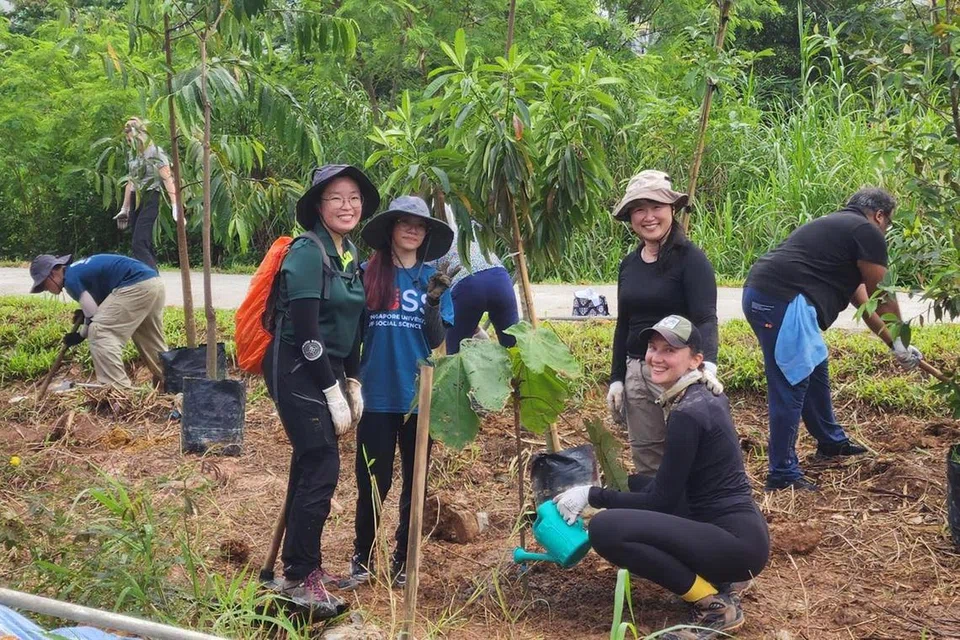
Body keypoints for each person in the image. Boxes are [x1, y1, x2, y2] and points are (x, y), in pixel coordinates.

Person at [554, 316, 770, 640]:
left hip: (735, 548)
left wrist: (593, 496)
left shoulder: (687, 413)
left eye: (669, 350)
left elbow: (660, 502)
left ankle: (713, 604)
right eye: (653, 348)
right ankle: (721, 579)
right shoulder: (702, 393)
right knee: (639, 483)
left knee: (605, 528)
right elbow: (661, 490)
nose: (656, 357)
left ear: (696, 359)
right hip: (741, 535)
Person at [742, 187, 922, 492]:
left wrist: (895, 344)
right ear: (880, 215)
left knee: (815, 368)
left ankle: (830, 442)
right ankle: (782, 473)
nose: (885, 230)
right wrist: (903, 338)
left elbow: (866, 307)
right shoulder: (867, 232)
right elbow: (883, 295)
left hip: (767, 294)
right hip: (784, 300)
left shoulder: (840, 234)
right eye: (887, 223)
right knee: (791, 381)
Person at [262, 165, 379, 615]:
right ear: (318, 206)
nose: (347, 206)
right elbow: (308, 332)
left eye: (353, 197)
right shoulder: (307, 253)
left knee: (312, 461)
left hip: (328, 366)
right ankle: (299, 579)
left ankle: (300, 562)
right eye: (336, 198)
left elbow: (351, 328)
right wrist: (331, 391)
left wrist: (353, 381)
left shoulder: (347, 255)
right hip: (295, 364)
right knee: (321, 463)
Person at [350, 196, 455, 587]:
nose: (412, 230)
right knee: (373, 482)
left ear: (426, 234)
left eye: (420, 225)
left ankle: (403, 560)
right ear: (391, 228)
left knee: (415, 483)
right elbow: (352, 336)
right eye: (404, 222)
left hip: (419, 397)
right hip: (375, 393)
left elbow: (435, 339)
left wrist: (432, 301)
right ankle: (362, 558)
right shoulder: (366, 274)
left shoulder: (435, 279)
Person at [606, 170, 722, 476]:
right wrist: (617, 377)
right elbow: (624, 323)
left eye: (656, 206)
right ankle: (658, 520)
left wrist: (707, 365)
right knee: (647, 458)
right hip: (638, 370)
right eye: (639, 209)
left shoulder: (691, 260)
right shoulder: (629, 265)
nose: (648, 217)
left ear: (672, 209)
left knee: (688, 454)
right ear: (630, 217)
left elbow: (706, 317)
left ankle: (691, 518)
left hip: (680, 372)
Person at [29, 253, 167, 388]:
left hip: (135, 285)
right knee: (149, 338)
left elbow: (93, 314)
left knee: (100, 331)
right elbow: (97, 306)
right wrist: (85, 316)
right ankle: (173, 384)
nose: (46, 289)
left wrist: (81, 335)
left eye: (44, 285)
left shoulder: (70, 279)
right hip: (153, 283)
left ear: (52, 274)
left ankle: (118, 392)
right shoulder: (77, 270)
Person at [434, 206, 518, 354]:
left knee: (454, 355)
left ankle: (459, 376)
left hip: (468, 285)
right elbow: (493, 218)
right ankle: (521, 376)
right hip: (499, 279)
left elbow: (436, 298)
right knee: (514, 345)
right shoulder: (469, 228)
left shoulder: (433, 246)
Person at [115, 117, 180, 270]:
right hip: (135, 198)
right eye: (128, 141)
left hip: (151, 195)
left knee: (139, 242)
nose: (129, 143)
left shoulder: (155, 152)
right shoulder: (133, 154)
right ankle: (151, 276)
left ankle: (150, 279)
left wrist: (175, 205)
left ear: (140, 134)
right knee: (143, 242)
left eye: (131, 139)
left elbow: (167, 178)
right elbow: (131, 181)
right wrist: (125, 209)